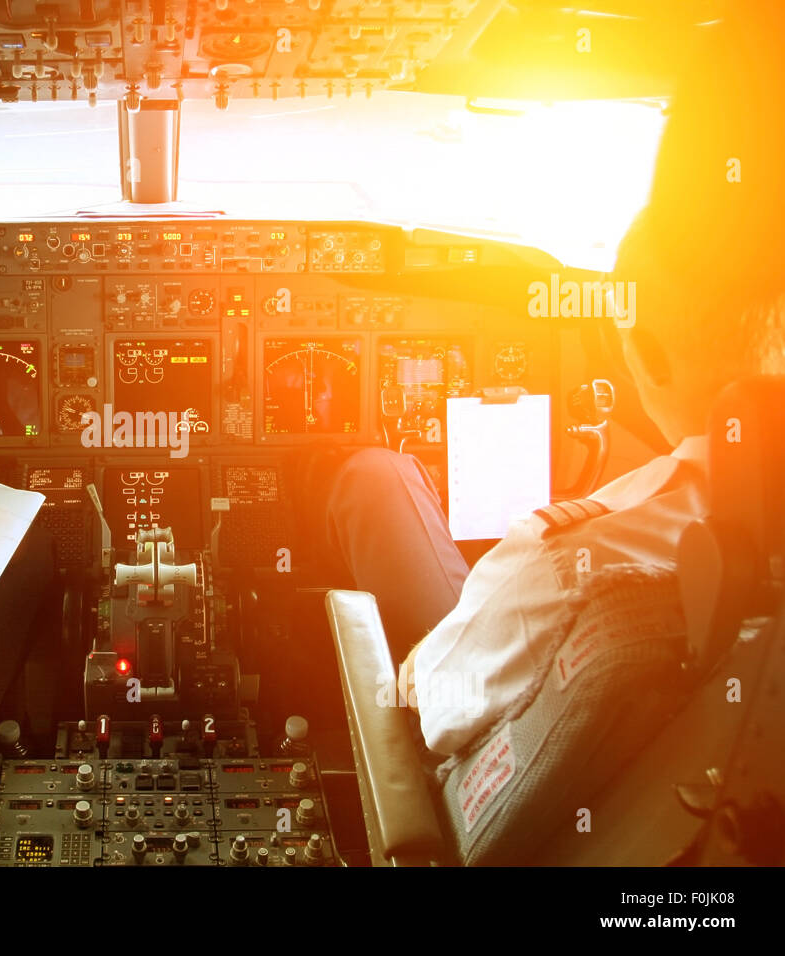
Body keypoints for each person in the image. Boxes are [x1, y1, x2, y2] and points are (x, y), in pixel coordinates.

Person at [330, 5, 785, 757]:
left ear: (641, 348)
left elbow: (426, 698)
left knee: (373, 476)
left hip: (473, 806)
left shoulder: (559, 566)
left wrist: (430, 651)